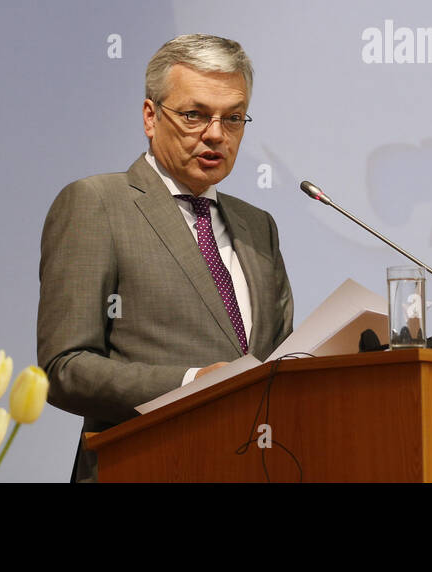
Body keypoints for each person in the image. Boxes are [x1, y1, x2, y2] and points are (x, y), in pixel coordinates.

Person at [37, 34, 294, 482]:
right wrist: (190, 383)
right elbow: (65, 368)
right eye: (195, 115)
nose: (216, 133)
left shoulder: (259, 226)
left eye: (233, 118)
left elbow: (279, 362)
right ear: (150, 117)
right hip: (140, 467)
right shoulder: (97, 203)